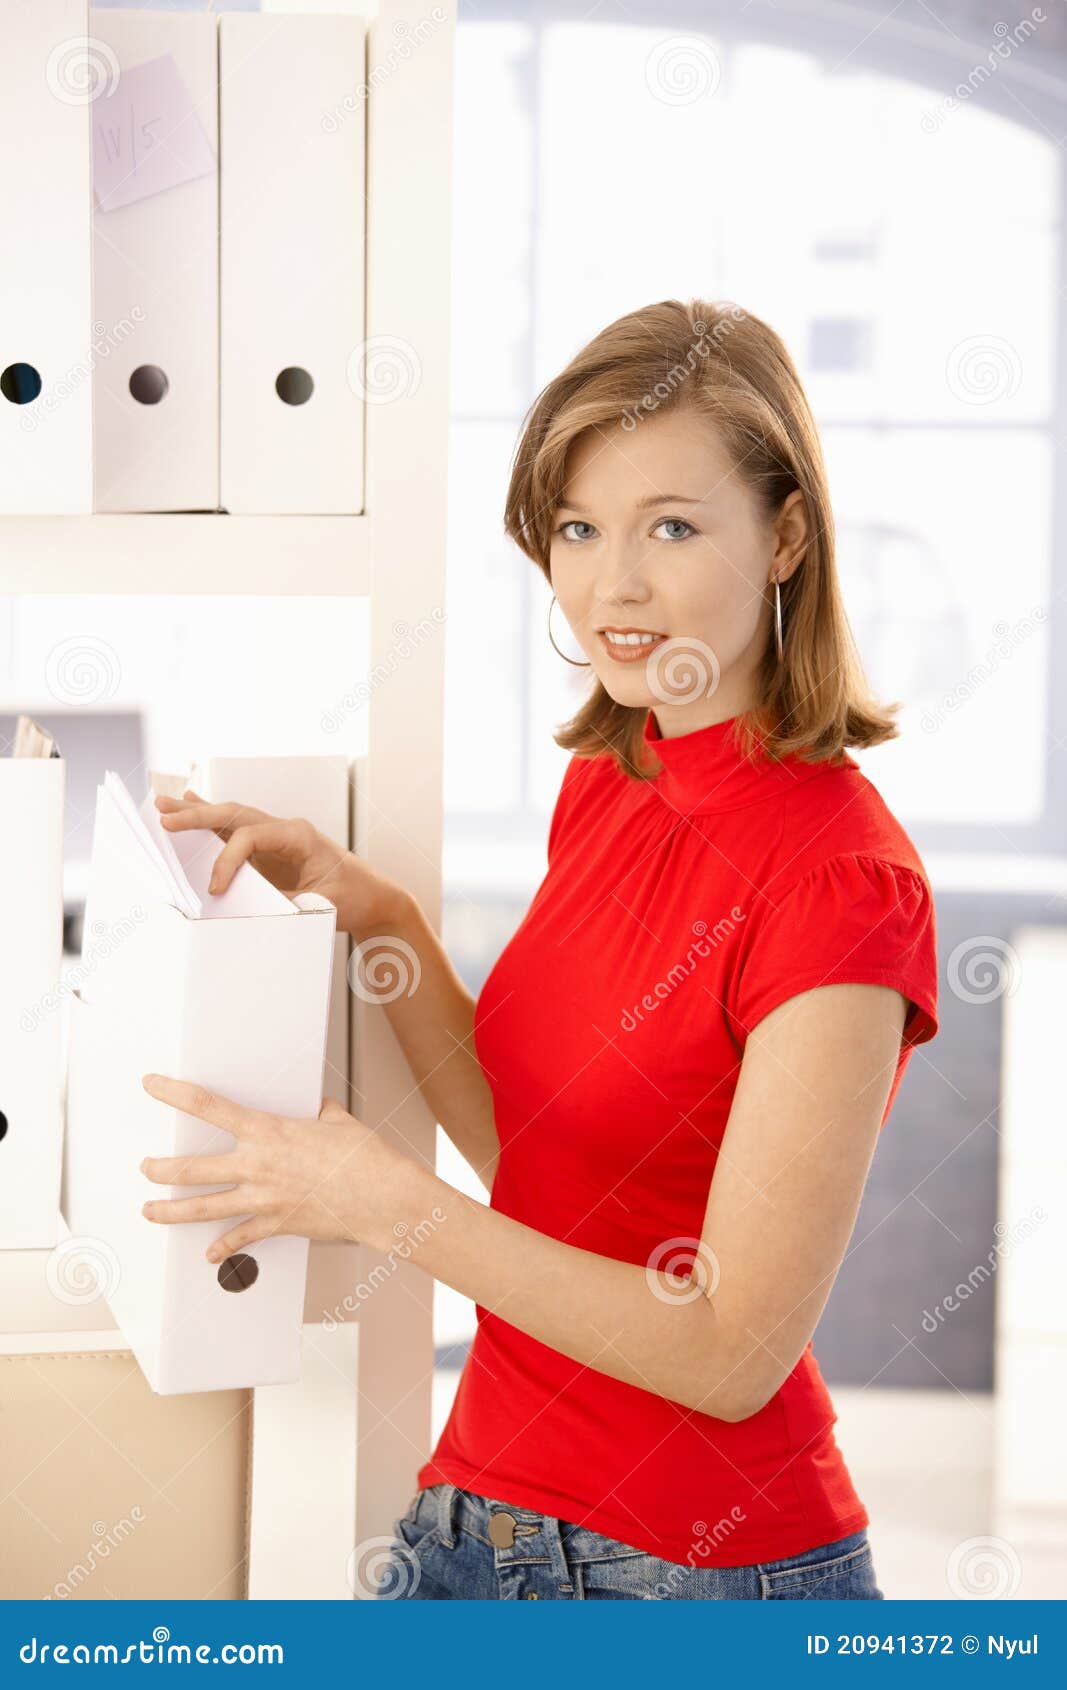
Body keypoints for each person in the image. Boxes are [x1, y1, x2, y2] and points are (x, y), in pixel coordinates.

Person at [144, 298, 939, 1600]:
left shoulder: (842, 884)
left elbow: (732, 1348)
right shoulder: (614, 781)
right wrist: (383, 922)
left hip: (690, 1571)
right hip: (475, 1518)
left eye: (670, 527)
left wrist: (383, 1205)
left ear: (786, 532)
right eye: (578, 527)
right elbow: (550, 1163)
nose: (608, 586)